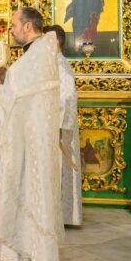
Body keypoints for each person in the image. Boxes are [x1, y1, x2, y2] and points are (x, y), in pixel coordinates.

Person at [0, 7, 62, 261]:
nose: (12, 30)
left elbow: (19, 96)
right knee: (25, 190)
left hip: (29, 142)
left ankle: (30, 259)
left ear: (28, 26)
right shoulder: (38, 52)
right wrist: (7, 79)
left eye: (15, 25)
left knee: (27, 191)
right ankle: (19, 257)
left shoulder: (39, 53)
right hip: (29, 138)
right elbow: (25, 91)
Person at [44, 24, 82, 226]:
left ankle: (60, 215)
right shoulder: (52, 63)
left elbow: (66, 98)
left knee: (60, 171)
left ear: (56, 42)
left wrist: (48, 117)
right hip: (54, 127)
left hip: (58, 130)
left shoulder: (60, 65)